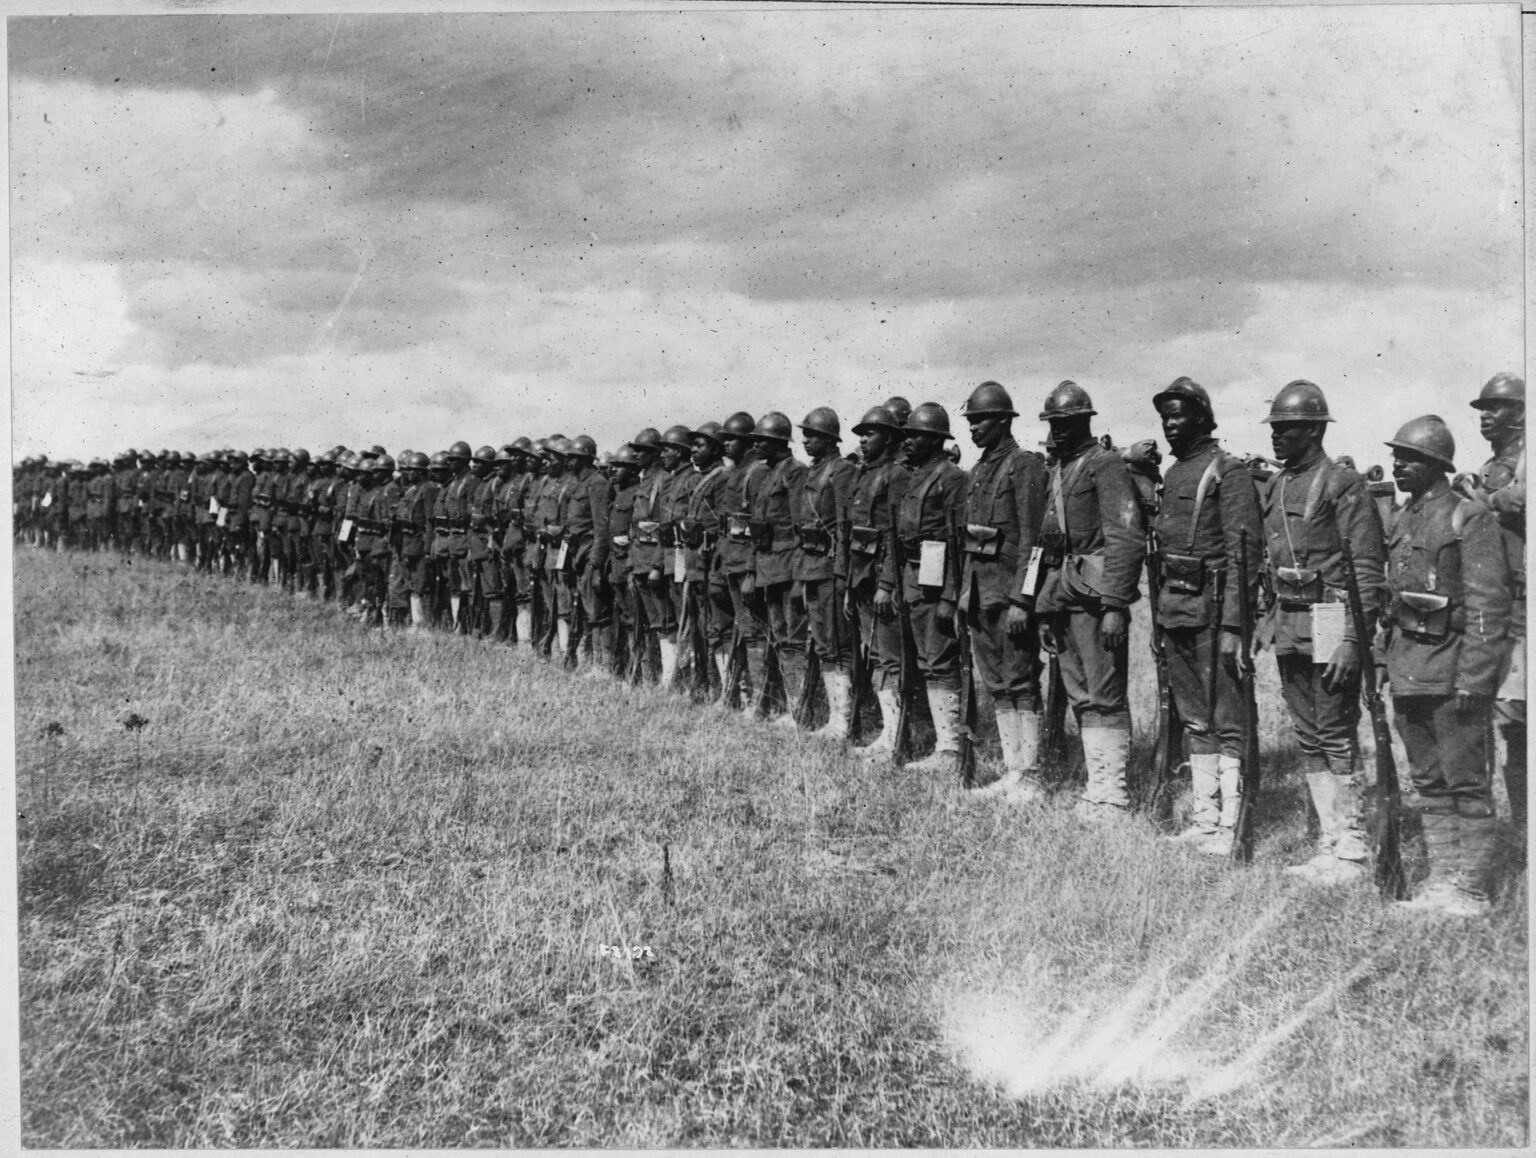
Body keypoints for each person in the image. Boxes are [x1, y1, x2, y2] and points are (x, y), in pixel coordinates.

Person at [1380, 416, 1511, 917]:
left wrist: (1475, 681)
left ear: (1436, 465)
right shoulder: (1404, 517)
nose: (1398, 464)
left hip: (1453, 673)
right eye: (1396, 455)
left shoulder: (1468, 517)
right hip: (1410, 668)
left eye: (1408, 457)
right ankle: (1442, 881)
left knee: (1466, 782)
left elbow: (1487, 607)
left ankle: (1472, 889)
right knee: (1429, 781)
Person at [1259, 380, 1388, 885]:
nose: (1277, 437)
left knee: (1334, 727)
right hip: (1289, 617)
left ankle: (1352, 846)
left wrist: (1354, 640)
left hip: (1330, 616)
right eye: (1274, 428)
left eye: (1287, 429)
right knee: (1306, 731)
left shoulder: (1342, 484)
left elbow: (1366, 567)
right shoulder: (1275, 484)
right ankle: (1330, 840)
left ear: (1314, 430)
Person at [1149, 378, 1263, 853]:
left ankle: (1232, 824)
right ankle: (1206, 817)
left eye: (1178, 415)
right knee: (1195, 717)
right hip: (1176, 610)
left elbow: (1244, 555)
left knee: (1227, 718)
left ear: (1201, 417)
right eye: (1165, 417)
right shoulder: (1175, 474)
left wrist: (1235, 626)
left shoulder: (1227, 473)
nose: (1170, 424)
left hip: (1215, 615)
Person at [1032, 381, 1146, 820]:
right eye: (1052, 423)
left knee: (1106, 694)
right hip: (1063, 595)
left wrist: (1116, 605)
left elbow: (1125, 536)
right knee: (1081, 694)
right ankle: (1095, 790)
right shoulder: (1060, 471)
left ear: (1085, 421)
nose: (1058, 430)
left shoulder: (1105, 465)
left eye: (1066, 422)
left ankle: (1112, 795)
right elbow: (1048, 545)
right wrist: (1044, 605)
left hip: (1097, 600)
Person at [957, 381, 1050, 801]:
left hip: (1009, 596)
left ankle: (1030, 774)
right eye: (971, 421)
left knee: (1021, 681)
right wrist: (964, 591)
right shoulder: (977, 472)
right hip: (981, 595)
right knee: (997, 683)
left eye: (980, 420)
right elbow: (970, 541)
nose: (973, 428)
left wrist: (1022, 600)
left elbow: (1033, 541)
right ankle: (1014, 770)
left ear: (1003, 421)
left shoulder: (1024, 465)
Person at [885, 402, 968, 772]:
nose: (908, 441)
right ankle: (931, 740)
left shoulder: (952, 479)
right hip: (911, 579)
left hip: (937, 584)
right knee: (922, 661)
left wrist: (951, 596)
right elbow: (897, 536)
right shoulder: (911, 478)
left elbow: (957, 542)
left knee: (939, 662)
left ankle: (950, 750)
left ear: (935, 440)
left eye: (916, 435)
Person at [1466, 372, 1525, 830]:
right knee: (1509, 719)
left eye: (1496, 407)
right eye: (1482, 409)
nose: (1486, 416)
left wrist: (1485, 500)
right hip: (1502, 604)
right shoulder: (1494, 463)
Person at [846, 404, 909, 759]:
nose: (864, 439)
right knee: (877, 657)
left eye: (870, 433)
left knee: (891, 658)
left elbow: (895, 536)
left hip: (884, 580)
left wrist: (887, 584)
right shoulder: (865, 475)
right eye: (861, 434)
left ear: (887, 436)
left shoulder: (896, 476)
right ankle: (888, 733)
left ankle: (896, 737)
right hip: (864, 580)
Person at [795, 407, 858, 739]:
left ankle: (843, 719)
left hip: (831, 568)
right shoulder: (814, 471)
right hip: (811, 567)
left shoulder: (842, 471)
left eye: (812, 434)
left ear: (830, 439)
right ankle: (835, 716)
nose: (805, 440)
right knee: (823, 644)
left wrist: (842, 575)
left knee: (838, 644)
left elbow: (846, 527)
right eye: (804, 434)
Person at [748, 412, 809, 720]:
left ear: (777, 442)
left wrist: (799, 577)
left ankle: (799, 710)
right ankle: (786, 705)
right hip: (769, 568)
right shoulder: (767, 473)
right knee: (780, 637)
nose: (755, 444)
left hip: (788, 567)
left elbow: (800, 527)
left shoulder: (795, 473)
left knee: (794, 641)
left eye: (761, 439)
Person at [557, 435, 611, 671]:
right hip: (576, 555)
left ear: (586, 458)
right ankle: (588, 662)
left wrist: (596, 563)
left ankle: (602, 667)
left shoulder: (597, 483)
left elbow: (601, 527)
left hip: (589, 555)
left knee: (597, 614)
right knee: (585, 612)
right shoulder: (577, 483)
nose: (568, 462)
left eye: (573, 457)